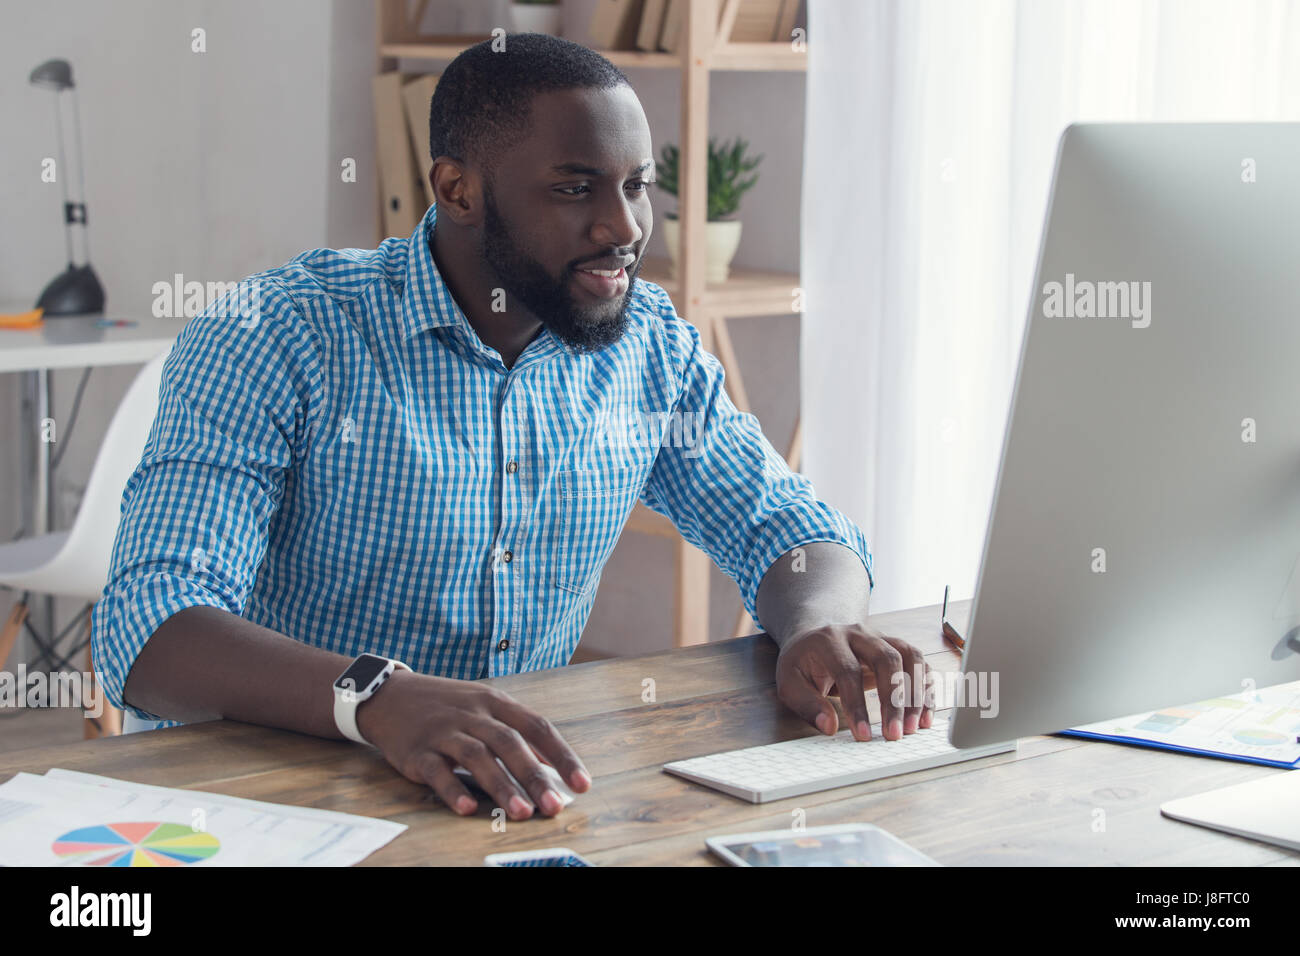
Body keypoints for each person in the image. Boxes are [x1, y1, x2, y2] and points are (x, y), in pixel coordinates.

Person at [93, 34, 931, 822]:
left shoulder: (646, 344)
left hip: (504, 802)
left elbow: (785, 526)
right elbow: (151, 628)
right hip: (260, 806)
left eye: (636, 184)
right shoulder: (274, 335)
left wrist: (822, 624)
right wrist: (375, 698)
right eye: (576, 188)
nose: (626, 227)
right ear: (458, 189)